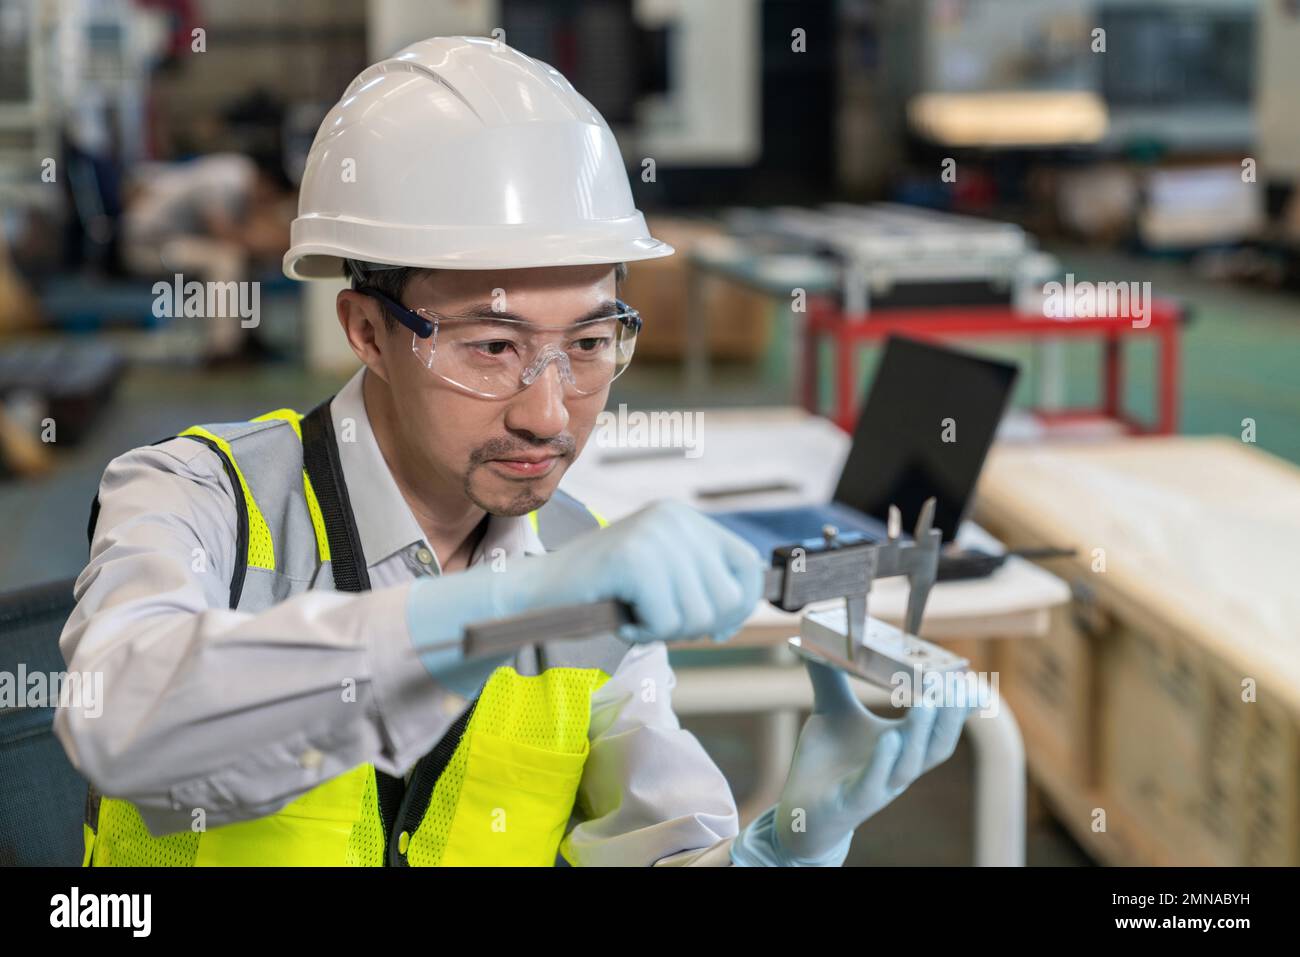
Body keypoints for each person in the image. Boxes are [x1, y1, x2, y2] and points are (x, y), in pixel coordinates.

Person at [56, 36, 967, 868]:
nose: (548, 413)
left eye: (590, 342)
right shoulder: (195, 494)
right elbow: (123, 721)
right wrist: (501, 607)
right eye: (493, 346)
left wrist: (788, 844)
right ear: (367, 331)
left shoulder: (581, 561)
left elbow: (661, 851)